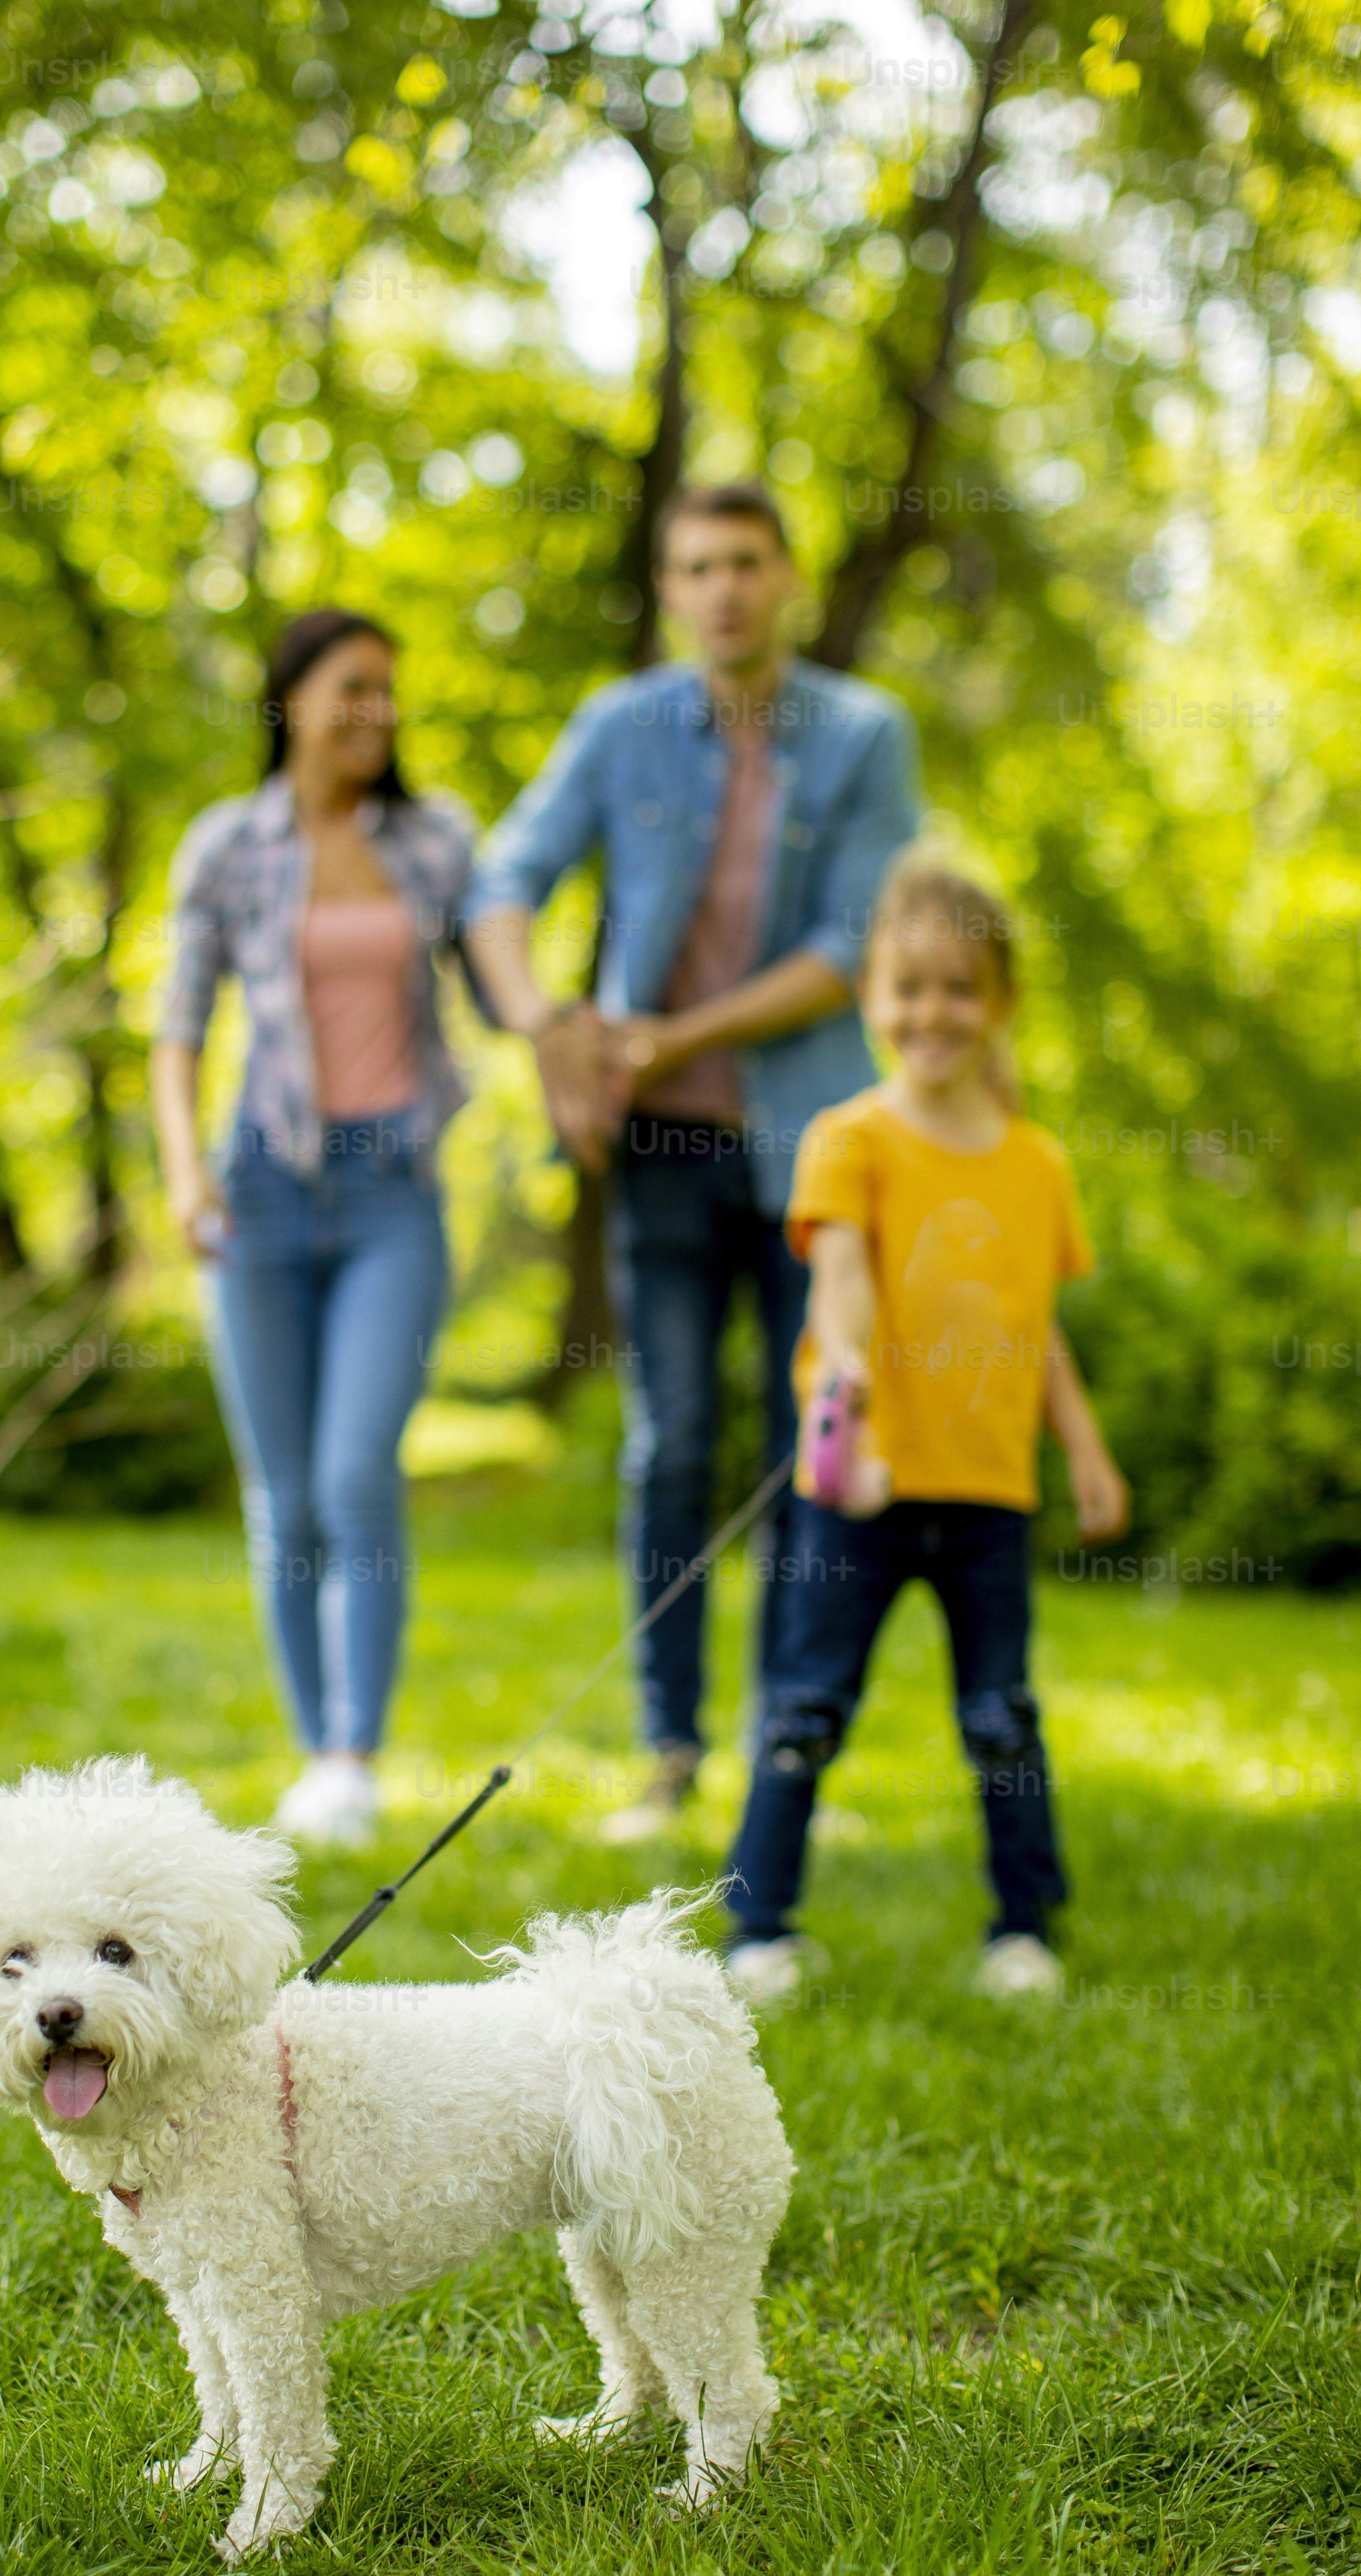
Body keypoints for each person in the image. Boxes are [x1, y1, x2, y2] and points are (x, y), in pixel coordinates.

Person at [464, 483, 920, 1842]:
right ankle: (669, 1753)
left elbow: (851, 948)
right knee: (670, 1447)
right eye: (697, 567)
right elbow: (501, 880)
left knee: (808, 1447)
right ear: (671, 589)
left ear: (788, 577)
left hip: (814, 1149)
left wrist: (674, 1036)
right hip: (660, 1149)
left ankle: (790, 1760)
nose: (723, 588)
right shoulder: (622, 726)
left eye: (745, 563)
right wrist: (548, 1023)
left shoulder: (865, 734)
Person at [152, 609, 561, 1847]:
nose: (376, 712)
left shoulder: (433, 840)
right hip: (260, 1189)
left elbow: (498, 982)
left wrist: (569, 1035)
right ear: (290, 700)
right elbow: (177, 1030)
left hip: (393, 1191)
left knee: (355, 1474)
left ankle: (352, 1757)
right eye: (352, 688)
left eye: (389, 690)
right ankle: (315, 1754)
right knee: (284, 1498)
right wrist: (184, 1174)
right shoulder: (227, 847)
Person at [721, 858, 1131, 2007]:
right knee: (806, 1708)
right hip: (861, 1487)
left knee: (1003, 1719)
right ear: (871, 995)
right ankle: (760, 1927)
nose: (932, 1012)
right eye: (909, 987)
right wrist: (847, 1379)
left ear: (1001, 1002)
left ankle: (1025, 1928)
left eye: (960, 988)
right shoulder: (849, 1139)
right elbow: (842, 1278)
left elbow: (1034, 1328)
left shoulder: (1036, 1163)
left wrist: (1085, 1448)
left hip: (991, 1495)